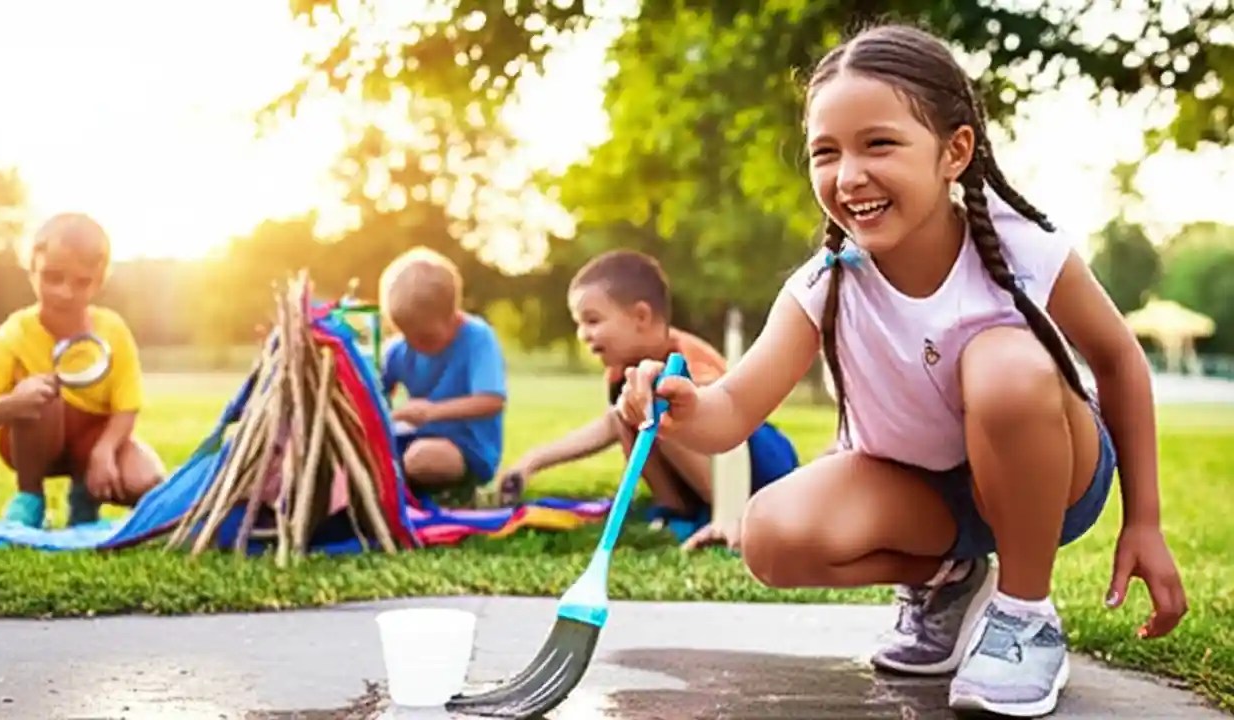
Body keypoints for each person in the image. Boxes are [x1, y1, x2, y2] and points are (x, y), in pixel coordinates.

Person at [613, 23, 1187, 718]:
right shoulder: (825, 285)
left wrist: (1144, 520)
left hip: (1055, 477)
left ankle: (1026, 615)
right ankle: (951, 580)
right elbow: (731, 409)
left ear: (955, 151)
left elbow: (1119, 358)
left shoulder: (1021, 244)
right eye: (826, 152)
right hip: (926, 497)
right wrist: (677, 406)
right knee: (770, 536)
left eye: (878, 144)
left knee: (1001, 364)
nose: (849, 175)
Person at [497, 249, 798, 543]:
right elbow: (606, 427)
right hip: (706, 462)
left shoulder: (689, 358)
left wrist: (729, 509)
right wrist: (531, 462)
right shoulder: (622, 372)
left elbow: (729, 428)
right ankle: (674, 512)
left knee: (660, 404)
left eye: (592, 321)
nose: (583, 334)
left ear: (641, 316)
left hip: (757, 464)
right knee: (626, 412)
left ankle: (721, 513)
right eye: (579, 324)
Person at [0, 213, 165, 528]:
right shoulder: (15, 333)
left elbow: (127, 406)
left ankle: (85, 495)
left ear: (99, 282)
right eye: (53, 277)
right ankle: (30, 499)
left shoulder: (113, 330)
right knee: (41, 392)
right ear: (32, 273)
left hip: (91, 440)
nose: (66, 292)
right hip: (33, 440)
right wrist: (13, 403)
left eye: (82, 282)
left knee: (147, 482)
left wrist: (104, 452)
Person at [378, 246, 507, 499]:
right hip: (413, 439)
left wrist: (431, 412)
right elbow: (378, 394)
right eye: (406, 333)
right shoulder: (398, 349)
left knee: (422, 459)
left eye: (425, 337)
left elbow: (492, 401)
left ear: (453, 316)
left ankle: (459, 490)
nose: (415, 344)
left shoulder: (477, 338)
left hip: (467, 448)